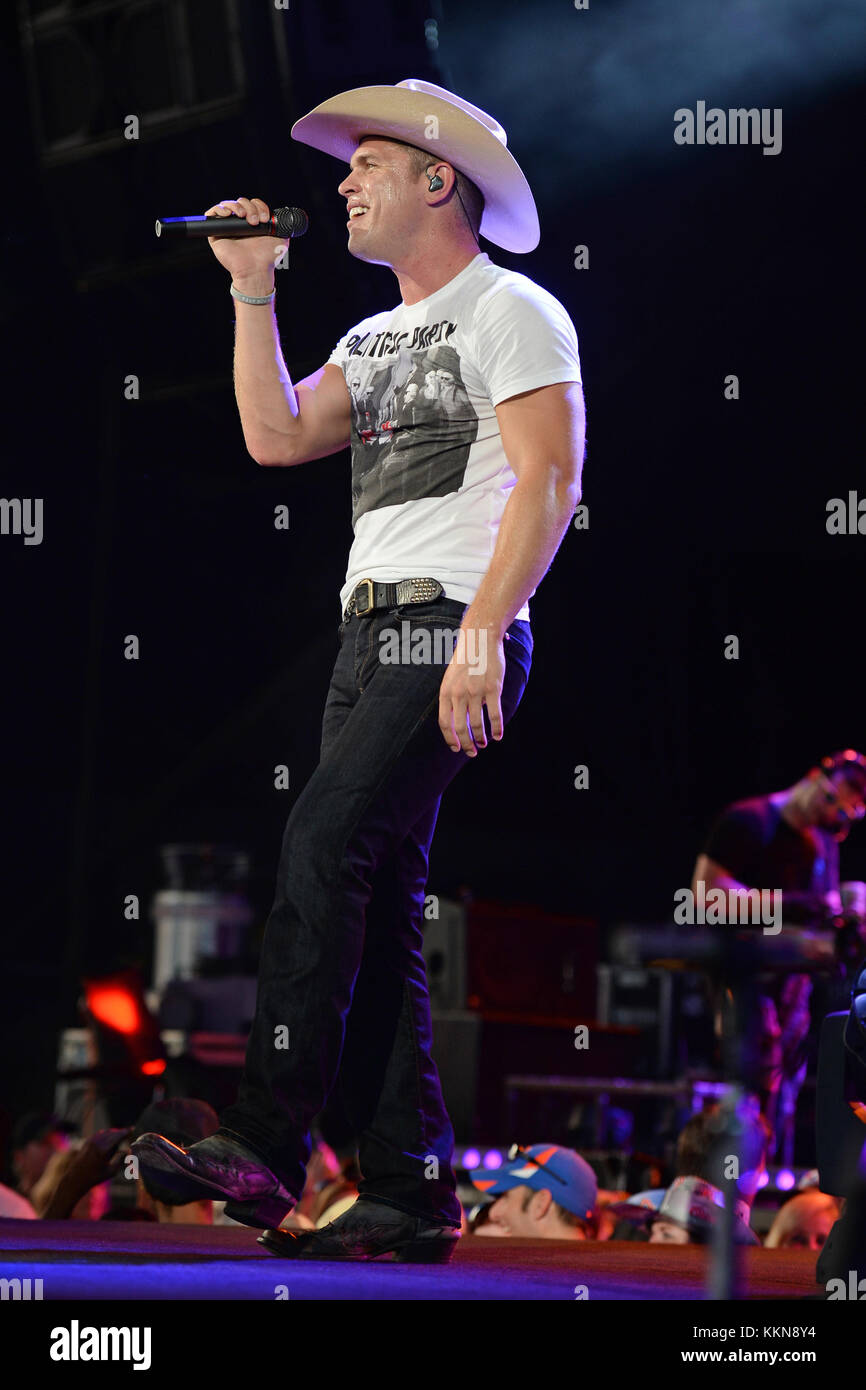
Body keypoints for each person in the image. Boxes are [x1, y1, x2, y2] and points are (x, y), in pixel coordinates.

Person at [132, 77, 585, 1264]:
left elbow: (545, 480)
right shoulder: (371, 335)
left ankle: (268, 1139)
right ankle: (409, 1186)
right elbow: (275, 434)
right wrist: (250, 290)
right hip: (364, 633)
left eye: (366, 166)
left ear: (438, 180)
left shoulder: (512, 308)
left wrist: (485, 629)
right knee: (376, 906)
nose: (342, 183)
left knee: (324, 842)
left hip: (451, 622)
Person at [691, 749, 866, 1161]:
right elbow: (705, 895)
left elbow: (820, 909)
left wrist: (848, 903)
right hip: (745, 975)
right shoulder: (749, 820)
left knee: (785, 1085)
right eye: (835, 799)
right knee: (751, 1076)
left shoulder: (822, 842)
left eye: (847, 814)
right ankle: (730, 1173)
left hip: (794, 981)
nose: (835, 815)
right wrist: (790, 906)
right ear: (818, 777)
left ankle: (766, 1172)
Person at [467, 1144, 598, 1240]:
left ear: (541, 1203)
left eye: (505, 1197)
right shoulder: (597, 1272)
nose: (493, 1213)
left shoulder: (543, 1275)